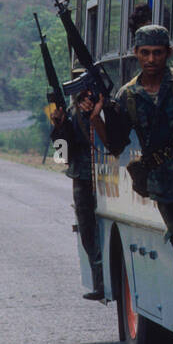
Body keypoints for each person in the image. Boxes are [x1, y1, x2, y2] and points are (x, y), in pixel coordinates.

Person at [96, 25, 173, 344]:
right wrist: (96, 120)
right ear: (136, 54)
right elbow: (117, 145)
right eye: (145, 53)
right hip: (164, 187)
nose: (151, 59)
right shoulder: (127, 96)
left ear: (168, 53)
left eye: (158, 53)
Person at [49, 88, 104, 300]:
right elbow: (62, 155)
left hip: (107, 172)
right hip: (83, 177)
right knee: (87, 230)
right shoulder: (70, 115)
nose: (86, 100)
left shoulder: (105, 107)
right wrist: (59, 125)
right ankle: (99, 282)